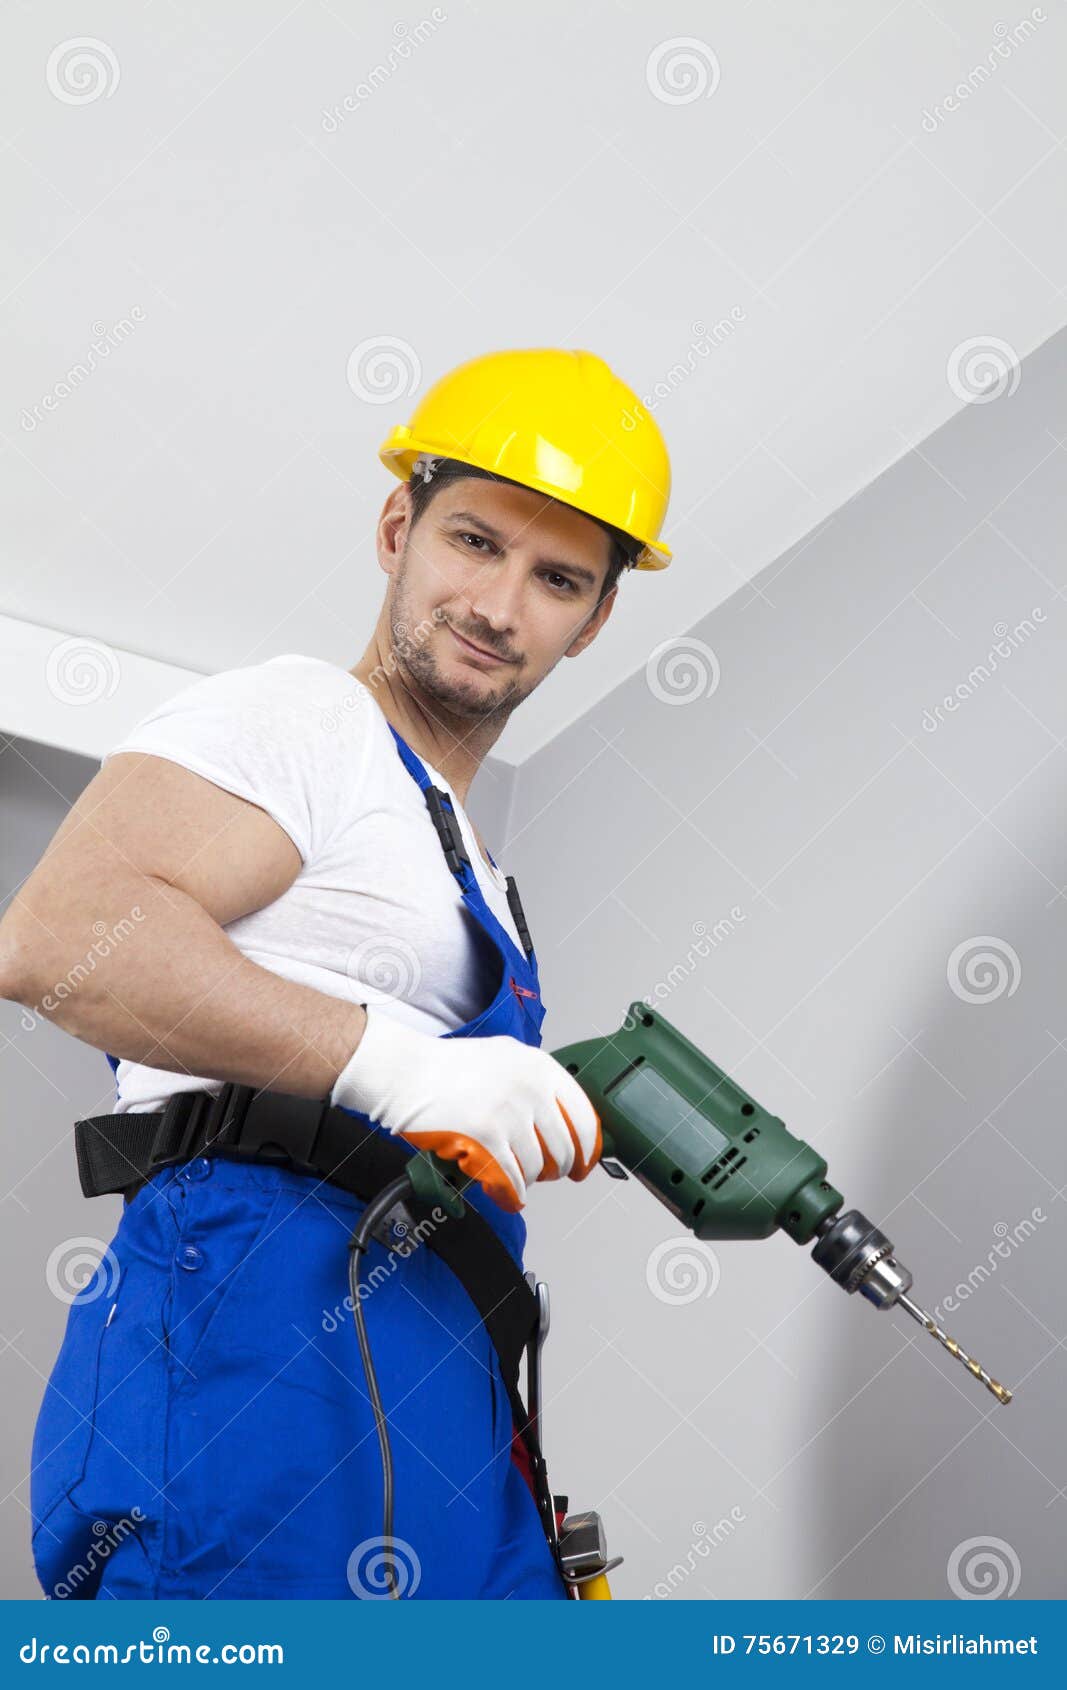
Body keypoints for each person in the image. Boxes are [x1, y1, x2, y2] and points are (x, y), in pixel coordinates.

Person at [0, 347, 673, 1600]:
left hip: (445, 1415)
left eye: (556, 578)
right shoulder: (306, 721)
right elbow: (57, 936)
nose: (498, 602)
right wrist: (396, 1062)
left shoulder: (477, 865)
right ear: (394, 527)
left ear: (596, 619)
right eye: (471, 540)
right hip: (264, 1399)